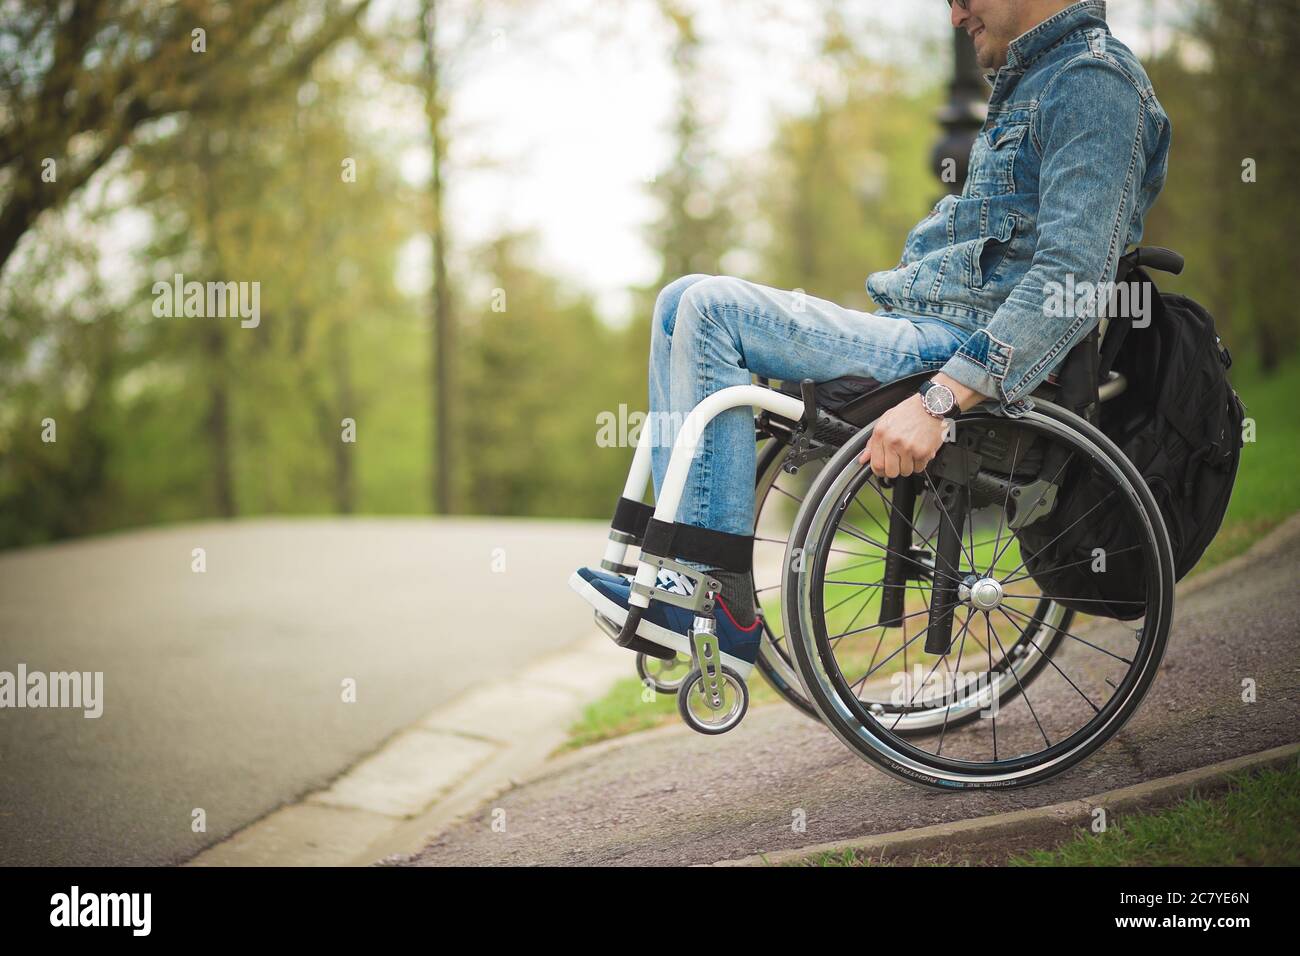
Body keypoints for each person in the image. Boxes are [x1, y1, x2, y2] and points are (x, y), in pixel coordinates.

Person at [570, 0, 1171, 672]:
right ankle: (675, 573)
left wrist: (942, 399)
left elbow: (1072, 282)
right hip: (923, 333)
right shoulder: (1040, 80)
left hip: (958, 355)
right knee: (682, 300)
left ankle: (715, 602)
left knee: (712, 308)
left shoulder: (1094, 84)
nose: (954, 15)